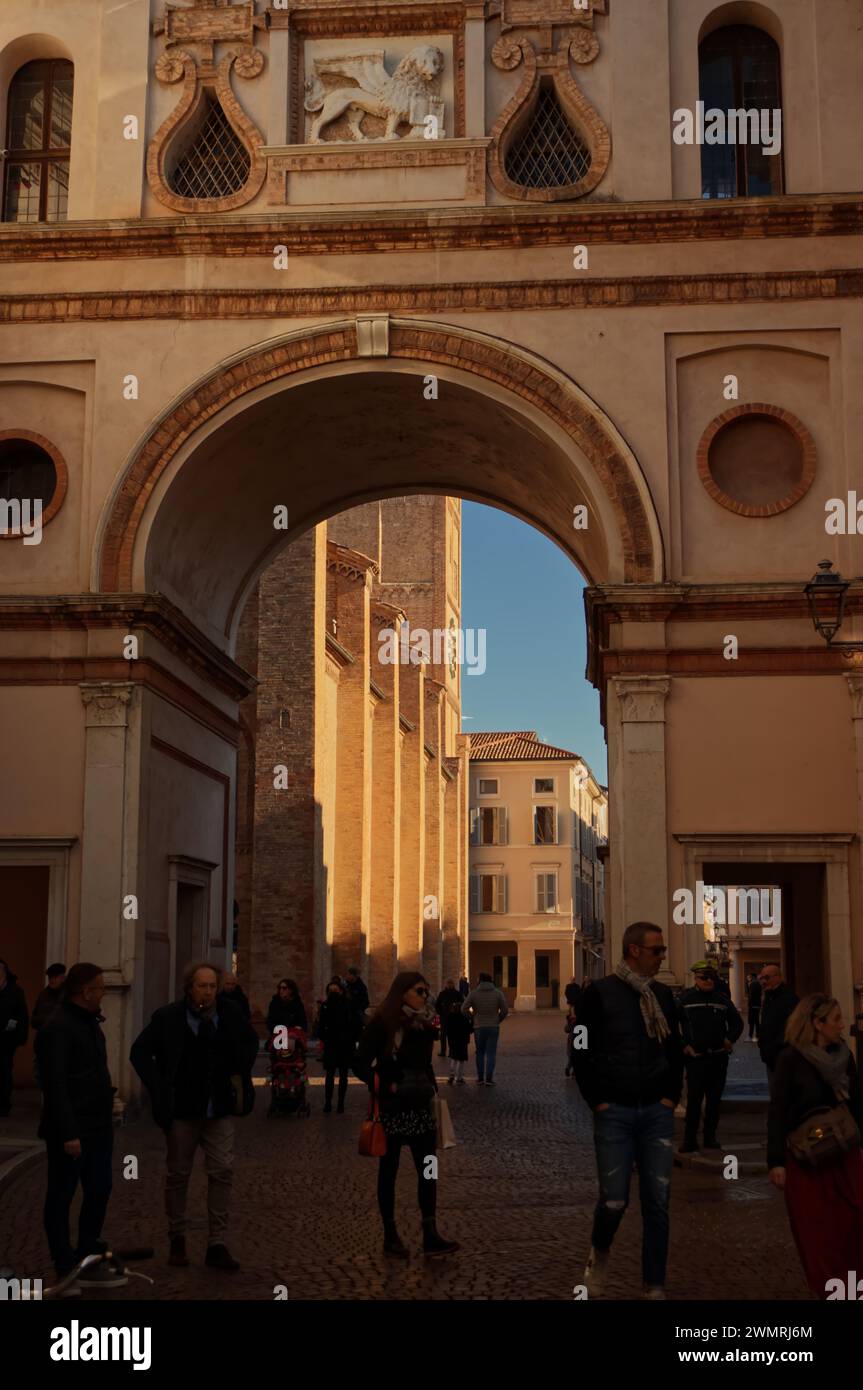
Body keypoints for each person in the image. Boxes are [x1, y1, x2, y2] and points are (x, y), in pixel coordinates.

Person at [574, 921, 683, 1300]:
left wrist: (671, 1095)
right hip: (615, 1111)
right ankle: (599, 1251)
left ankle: (654, 1284)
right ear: (634, 951)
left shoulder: (664, 996)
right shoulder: (599, 994)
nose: (663, 956)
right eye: (657, 950)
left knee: (658, 1202)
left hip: (656, 1110)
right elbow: (581, 1048)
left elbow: (674, 1049)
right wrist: (597, 1100)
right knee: (614, 1199)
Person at [130, 961, 259, 1271]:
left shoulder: (229, 1014)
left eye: (213, 986)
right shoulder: (168, 1017)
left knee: (223, 1171)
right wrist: (160, 1088)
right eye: (202, 986)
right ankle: (177, 1238)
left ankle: (217, 1242)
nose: (208, 992)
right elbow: (139, 1052)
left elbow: (250, 1042)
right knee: (178, 1176)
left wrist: (238, 1072)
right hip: (182, 1112)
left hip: (218, 1109)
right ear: (190, 988)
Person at [353, 971, 459, 1258]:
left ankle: (430, 1232)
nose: (425, 997)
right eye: (420, 991)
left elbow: (424, 1062)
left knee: (429, 1169)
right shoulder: (382, 1023)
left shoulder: (425, 1023)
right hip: (393, 1108)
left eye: (426, 992)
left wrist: (432, 1089)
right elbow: (360, 1062)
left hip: (422, 1106)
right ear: (403, 993)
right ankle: (390, 1234)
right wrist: (383, 1085)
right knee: (389, 1171)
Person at [35, 963, 127, 1290]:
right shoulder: (57, 1028)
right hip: (71, 1130)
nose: (104, 993)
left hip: (99, 1125)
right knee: (61, 1197)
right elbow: (55, 1085)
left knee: (100, 1189)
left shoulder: (90, 1023)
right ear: (86, 992)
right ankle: (64, 1266)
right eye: (101, 988)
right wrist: (69, 1132)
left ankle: (87, 1256)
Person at [768, 994, 863, 1299]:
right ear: (817, 1023)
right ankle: (828, 1294)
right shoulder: (791, 1059)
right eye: (835, 1020)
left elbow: (860, 1106)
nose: (841, 1025)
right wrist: (776, 1162)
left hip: (846, 1158)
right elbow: (778, 1111)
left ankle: (852, 1293)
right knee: (818, 1237)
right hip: (808, 1163)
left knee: (854, 1230)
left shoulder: (845, 1057)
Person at [677, 960, 743, 1152]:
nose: (709, 981)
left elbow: (737, 1023)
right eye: (704, 977)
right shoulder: (685, 1000)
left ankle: (710, 1137)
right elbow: (672, 1027)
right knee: (694, 1101)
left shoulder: (722, 1000)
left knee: (714, 1101)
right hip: (696, 1059)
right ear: (696, 979)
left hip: (718, 1058)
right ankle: (689, 1140)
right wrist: (684, 1046)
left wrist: (730, 1039)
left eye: (711, 977)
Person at [461, 972, 508, 1085]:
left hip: (479, 1026)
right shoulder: (497, 993)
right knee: (491, 1053)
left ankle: (480, 1077)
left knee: (480, 1053)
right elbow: (505, 1010)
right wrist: (498, 1019)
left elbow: (464, 1009)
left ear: (480, 981)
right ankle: (489, 1078)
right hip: (493, 1026)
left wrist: (472, 1018)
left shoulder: (474, 993)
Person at [318, 976, 355, 1113]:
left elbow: (321, 1027)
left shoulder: (328, 1005)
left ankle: (333, 1103)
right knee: (338, 1074)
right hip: (340, 1044)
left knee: (333, 1074)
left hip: (336, 1044)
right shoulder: (345, 1004)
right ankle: (335, 1104)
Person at [758, 964, 798, 1091]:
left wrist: (777, 1047)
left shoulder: (789, 999)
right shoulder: (769, 997)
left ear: (778, 977)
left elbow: (792, 1028)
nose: (764, 981)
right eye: (762, 978)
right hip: (771, 1057)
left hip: (782, 1056)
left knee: (783, 1093)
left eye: (767, 977)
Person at [0, 958, 29, 1117]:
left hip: (7, 1040)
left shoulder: (15, 991)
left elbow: (22, 1015)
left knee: (4, 1072)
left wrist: (19, 1037)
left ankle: (3, 1104)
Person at [31, 963, 67, 1032]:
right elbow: (33, 1020)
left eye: (55, 977)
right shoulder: (43, 994)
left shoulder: (69, 995)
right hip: (45, 1036)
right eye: (50, 977)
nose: (52, 980)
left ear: (63, 977)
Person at [444, 997, 471, 1085]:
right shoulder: (464, 1017)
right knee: (461, 1059)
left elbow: (446, 1030)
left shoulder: (449, 1017)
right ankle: (459, 1078)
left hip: (452, 1040)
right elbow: (470, 1029)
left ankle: (451, 1075)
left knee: (453, 1057)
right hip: (462, 1040)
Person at [435, 978, 462, 1059]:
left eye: (451, 983)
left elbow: (462, 1003)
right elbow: (437, 1005)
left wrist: (458, 1012)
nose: (450, 985)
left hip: (454, 1018)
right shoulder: (442, 994)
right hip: (444, 1017)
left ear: (453, 984)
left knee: (452, 1035)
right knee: (443, 1035)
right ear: (446, 984)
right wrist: (440, 1013)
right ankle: (443, 1051)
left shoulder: (457, 993)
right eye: (448, 983)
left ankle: (451, 1052)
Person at [564, 977, 583, 1077]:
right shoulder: (581, 1016)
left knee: (573, 1054)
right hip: (580, 1034)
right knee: (577, 1053)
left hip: (575, 1036)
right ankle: (573, 1070)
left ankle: (570, 1068)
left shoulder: (572, 1019)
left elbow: (566, 1029)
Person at [345, 967, 370, 1034]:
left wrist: (354, 1002)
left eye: (348, 974)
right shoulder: (347, 986)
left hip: (356, 1018)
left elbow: (366, 1002)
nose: (347, 976)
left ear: (353, 975)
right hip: (347, 1017)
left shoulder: (361, 987)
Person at [745, 972, 762, 1041]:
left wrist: (749, 1004)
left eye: (749, 977)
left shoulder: (753, 984)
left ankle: (750, 1036)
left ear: (752, 977)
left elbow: (751, 995)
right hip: (756, 1005)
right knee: (756, 1021)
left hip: (753, 1005)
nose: (748, 979)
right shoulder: (757, 984)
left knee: (752, 1021)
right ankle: (757, 1036)